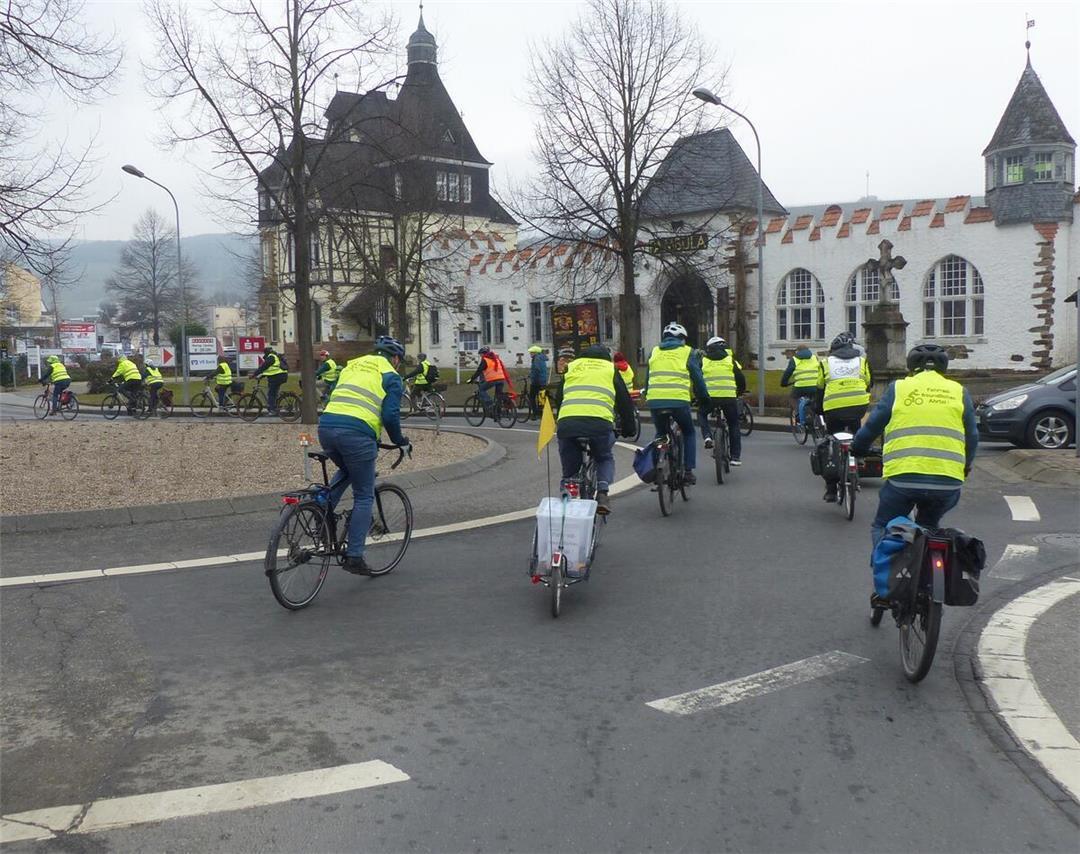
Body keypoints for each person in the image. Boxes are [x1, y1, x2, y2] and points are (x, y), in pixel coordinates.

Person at [852, 343, 978, 607]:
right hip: (948, 481)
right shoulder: (959, 392)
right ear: (944, 368)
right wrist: (964, 466)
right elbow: (972, 436)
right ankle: (928, 580)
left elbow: (874, 424)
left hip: (902, 479)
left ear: (911, 367)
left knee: (883, 525)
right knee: (929, 525)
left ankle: (886, 580)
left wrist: (858, 448)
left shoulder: (899, 388)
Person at [318, 336, 411, 575]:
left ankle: (320, 506)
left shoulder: (352, 364)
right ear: (396, 358)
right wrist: (400, 441)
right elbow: (390, 416)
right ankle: (355, 556)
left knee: (349, 470)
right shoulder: (391, 375)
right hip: (357, 435)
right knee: (363, 496)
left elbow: (333, 395)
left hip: (326, 426)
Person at [551, 344, 636, 515]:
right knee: (604, 457)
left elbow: (560, 398)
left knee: (570, 471)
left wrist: (563, 421)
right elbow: (624, 402)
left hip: (568, 424)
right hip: (600, 425)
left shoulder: (572, 367)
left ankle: (568, 488)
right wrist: (629, 428)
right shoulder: (610, 369)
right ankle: (603, 493)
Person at [643, 322, 709, 486]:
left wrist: (648, 395)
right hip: (679, 401)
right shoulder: (688, 352)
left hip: (655, 400)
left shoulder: (654, 352)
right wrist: (704, 398)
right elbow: (698, 378)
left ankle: (657, 469)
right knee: (688, 432)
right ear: (681, 339)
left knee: (660, 434)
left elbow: (648, 378)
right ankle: (688, 471)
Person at [818, 333, 872, 502]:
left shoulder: (825, 363)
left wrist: (819, 409)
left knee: (832, 442)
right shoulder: (862, 361)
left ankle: (831, 489)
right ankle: (859, 456)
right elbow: (870, 383)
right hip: (858, 406)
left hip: (833, 408)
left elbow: (820, 388)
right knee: (855, 427)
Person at [698, 336, 746, 465]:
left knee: (702, 414)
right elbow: (740, 379)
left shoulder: (703, 361)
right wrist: (739, 392)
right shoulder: (730, 360)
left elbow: (698, 380)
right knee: (733, 424)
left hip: (709, 398)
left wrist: (698, 396)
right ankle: (735, 457)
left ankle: (707, 436)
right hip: (729, 397)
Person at [780, 344, 822, 427]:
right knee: (815, 400)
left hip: (801, 386)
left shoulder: (794, 359)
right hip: (815, 384)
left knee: (793, 398)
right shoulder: (814, 358)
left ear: (797, 351)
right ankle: (815, 416)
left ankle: (798, 413)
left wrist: (783, 383)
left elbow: (788, 372)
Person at [251, 345, 287, 414]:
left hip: (277, 377)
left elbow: (263, 367)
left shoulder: (271, 357)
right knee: (274, 392)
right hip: (281, 376)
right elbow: (269, 370)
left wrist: (254, 375)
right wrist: (260, 377)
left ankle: (272, 410)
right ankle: (275, 407)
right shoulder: (274, 356)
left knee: (271, 394)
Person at [527, 345, 549, 414]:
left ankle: (535, 413)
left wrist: (533, 378)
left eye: (531, 352)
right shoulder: (541, 358)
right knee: (541, 397)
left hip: (537, 381)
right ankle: (541, 412)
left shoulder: (536, 359)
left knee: (532, 397)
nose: (530, 354)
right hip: (543, 380)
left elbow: (536, 370)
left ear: (535, 353)